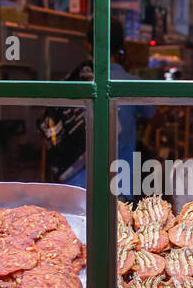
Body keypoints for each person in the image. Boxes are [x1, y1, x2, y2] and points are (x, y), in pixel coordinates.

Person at [44, 18, 155, 189]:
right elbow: (154, 115)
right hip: (118, 186)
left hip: (75, 186)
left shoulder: (72, 81)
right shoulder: (132, 83)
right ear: (121, 46)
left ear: (89, 45)